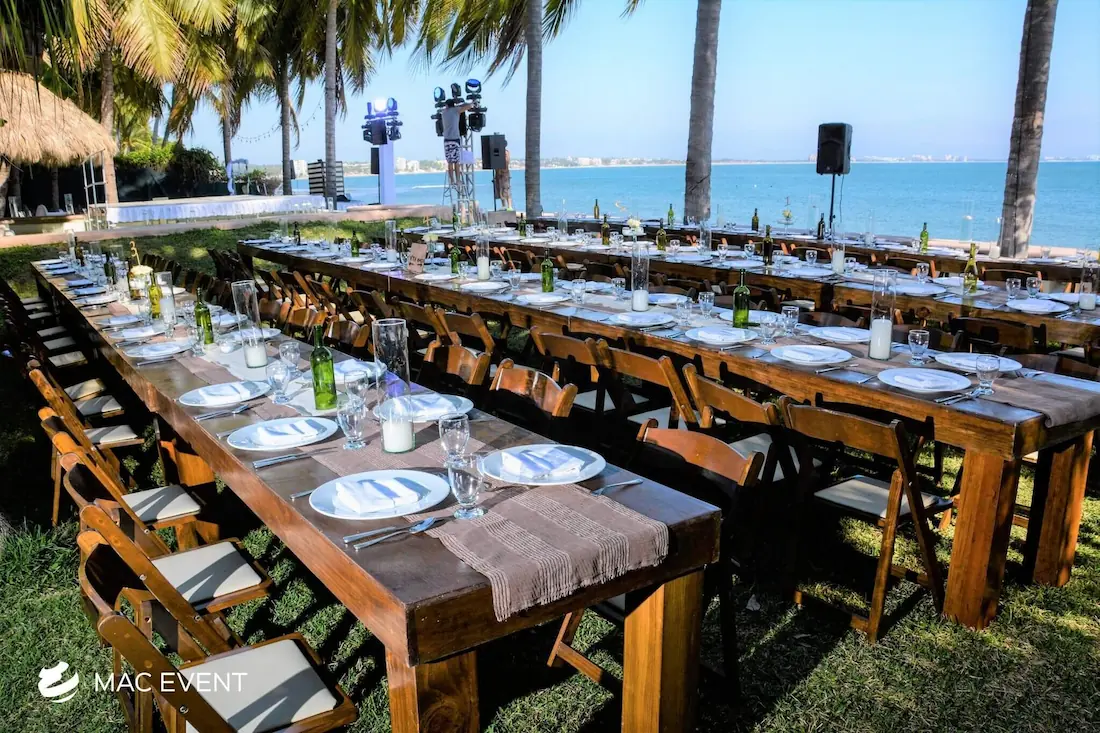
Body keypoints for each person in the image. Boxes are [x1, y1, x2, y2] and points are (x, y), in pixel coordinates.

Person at [441, 99, 473, 188]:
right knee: (457, 162)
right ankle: (458, 180)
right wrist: (470, 103)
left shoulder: (443, 113)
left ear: (446, 105)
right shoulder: (456, 110)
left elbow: (448, 108)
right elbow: (468, 107)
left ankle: (452, 181)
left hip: (447, 139)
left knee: (450, 162)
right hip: (455, 139)